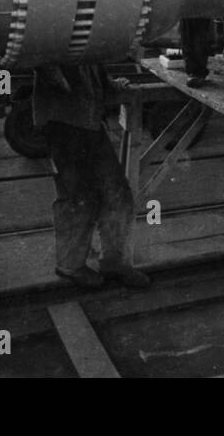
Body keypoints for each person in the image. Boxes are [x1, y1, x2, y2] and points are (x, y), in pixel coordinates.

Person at [32, 64, 149, 290]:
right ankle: (70, 265)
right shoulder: (53, 34)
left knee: (117, 191)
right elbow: (42, 63)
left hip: (91, 121)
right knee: (77, 197)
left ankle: (115, 262)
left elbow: (93, 66)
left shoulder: (88, 34)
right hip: (62, 123)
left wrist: (112, 85)